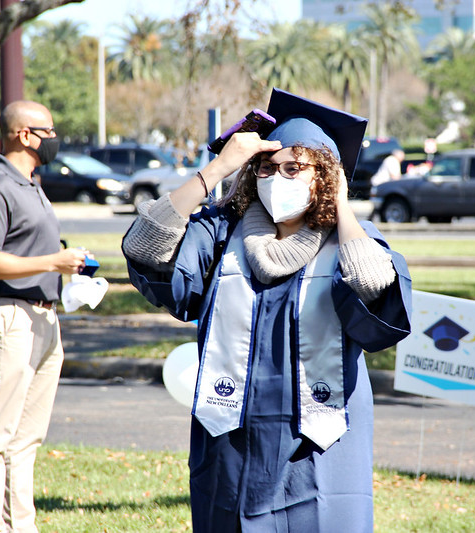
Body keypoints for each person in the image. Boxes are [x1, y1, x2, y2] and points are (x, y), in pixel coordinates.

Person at [122, 88, 412, 532]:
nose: (278, 177)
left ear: (324, 176)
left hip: (318, 448)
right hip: (230, 443)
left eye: (295, 167)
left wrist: (341, 207)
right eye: (267, 167)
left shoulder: (352, 240)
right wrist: (217, 167)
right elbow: (145, 246)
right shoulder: (222, 236)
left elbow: (375, 286)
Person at [0, 100, 90, 533]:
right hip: (8, 315)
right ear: (23, 134)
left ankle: (21, 527)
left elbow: (30, 252)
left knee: (25, 440)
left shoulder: (30, 184)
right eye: (48, 131)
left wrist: (69, 272)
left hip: (43, 317)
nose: (55, 139)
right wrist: (53, 262)